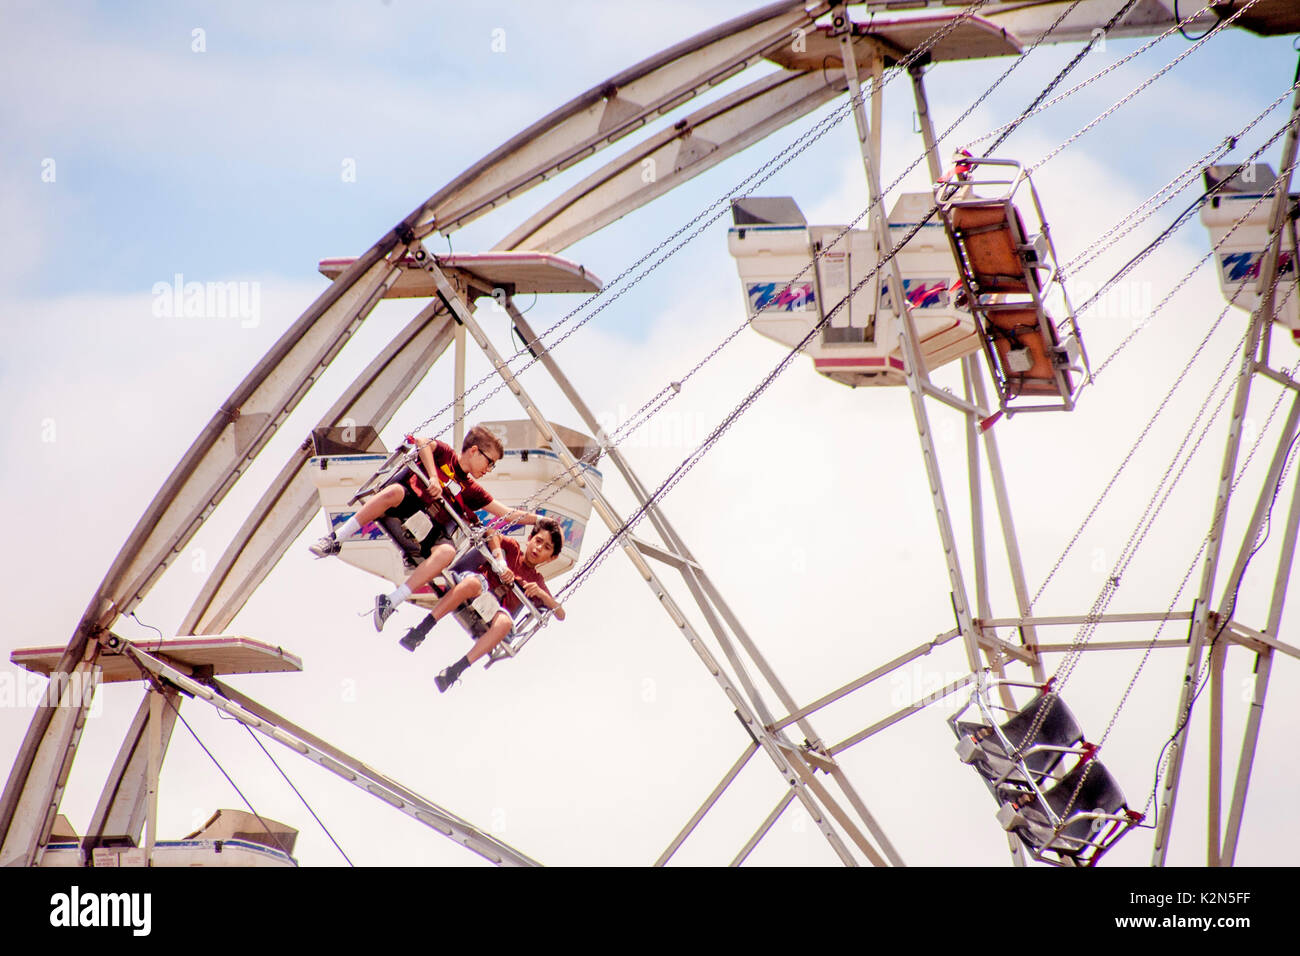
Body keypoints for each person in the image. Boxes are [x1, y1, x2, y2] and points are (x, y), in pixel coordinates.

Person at [377, 519, 567, 693]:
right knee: (472, 584)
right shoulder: (513, 548)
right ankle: (421, 630)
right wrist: (500, 561)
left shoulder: (537, 580)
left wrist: (541, 594)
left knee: (505, 624)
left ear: (551, 557)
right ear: (530, 538)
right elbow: (492, 533)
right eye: (538, 541)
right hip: (481, 585)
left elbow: (560, 613)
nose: (539, 548)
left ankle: (455, 671)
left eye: (546, 547)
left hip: (495, 608)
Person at [308, 424, 540, 561]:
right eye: (489, 463)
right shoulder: (446, 454)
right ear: (474, 451)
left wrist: (542, 520)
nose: (489, 470)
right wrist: (432, 477)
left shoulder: (472, 489)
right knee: (394, 492)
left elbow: (507, 514)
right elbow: (422, 443)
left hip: (430, 528)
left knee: (445, 553)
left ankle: (393, 601)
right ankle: (336, 538)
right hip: (410, 504)